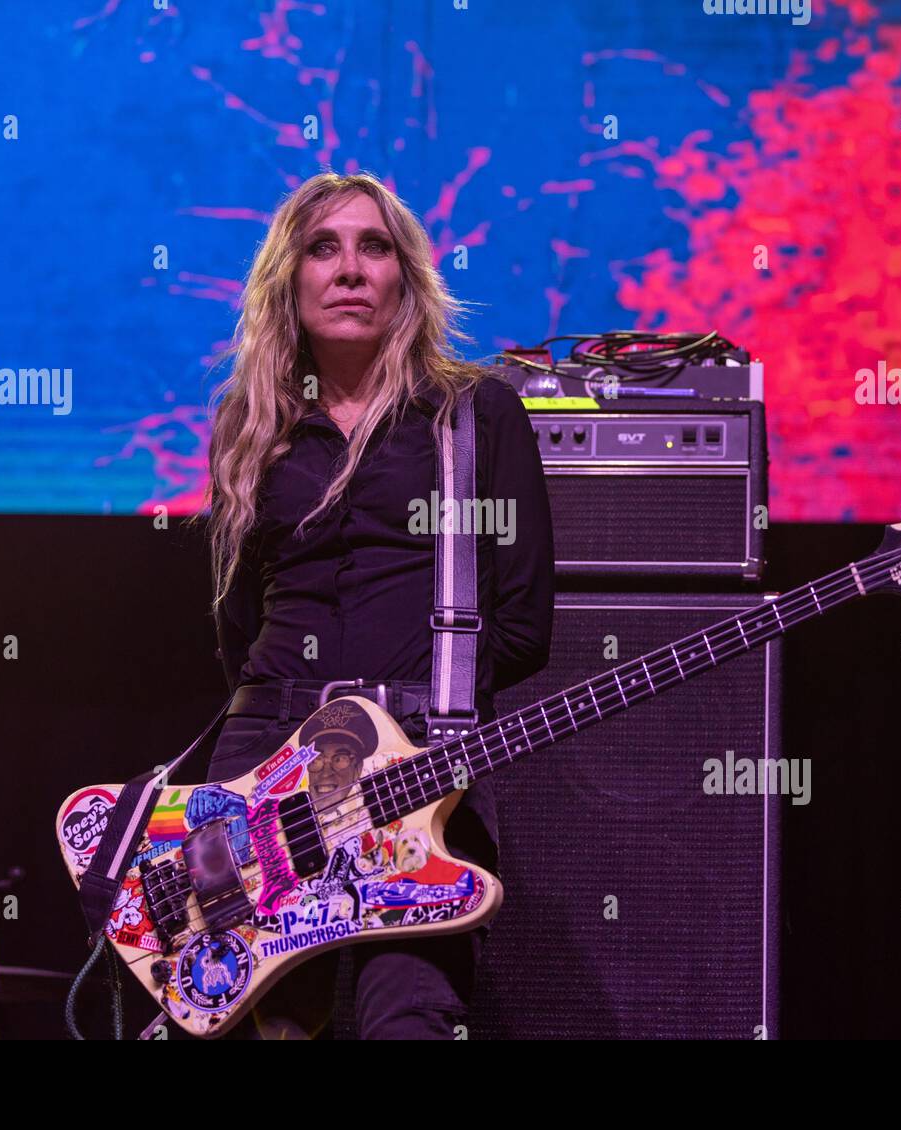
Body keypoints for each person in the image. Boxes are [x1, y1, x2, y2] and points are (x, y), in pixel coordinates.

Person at [199, 171, 554, 1040]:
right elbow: (238, 628)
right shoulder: (250, 425)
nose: (350, 269)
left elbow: (523, 624)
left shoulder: (477, 416)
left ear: (406, 278)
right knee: (267, 1021)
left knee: (411, 1013)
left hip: (420, 764)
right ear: (291, 279)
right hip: (263, 772)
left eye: (374, 247)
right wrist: (282, 745)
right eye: (324, 248)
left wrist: (395, 721)